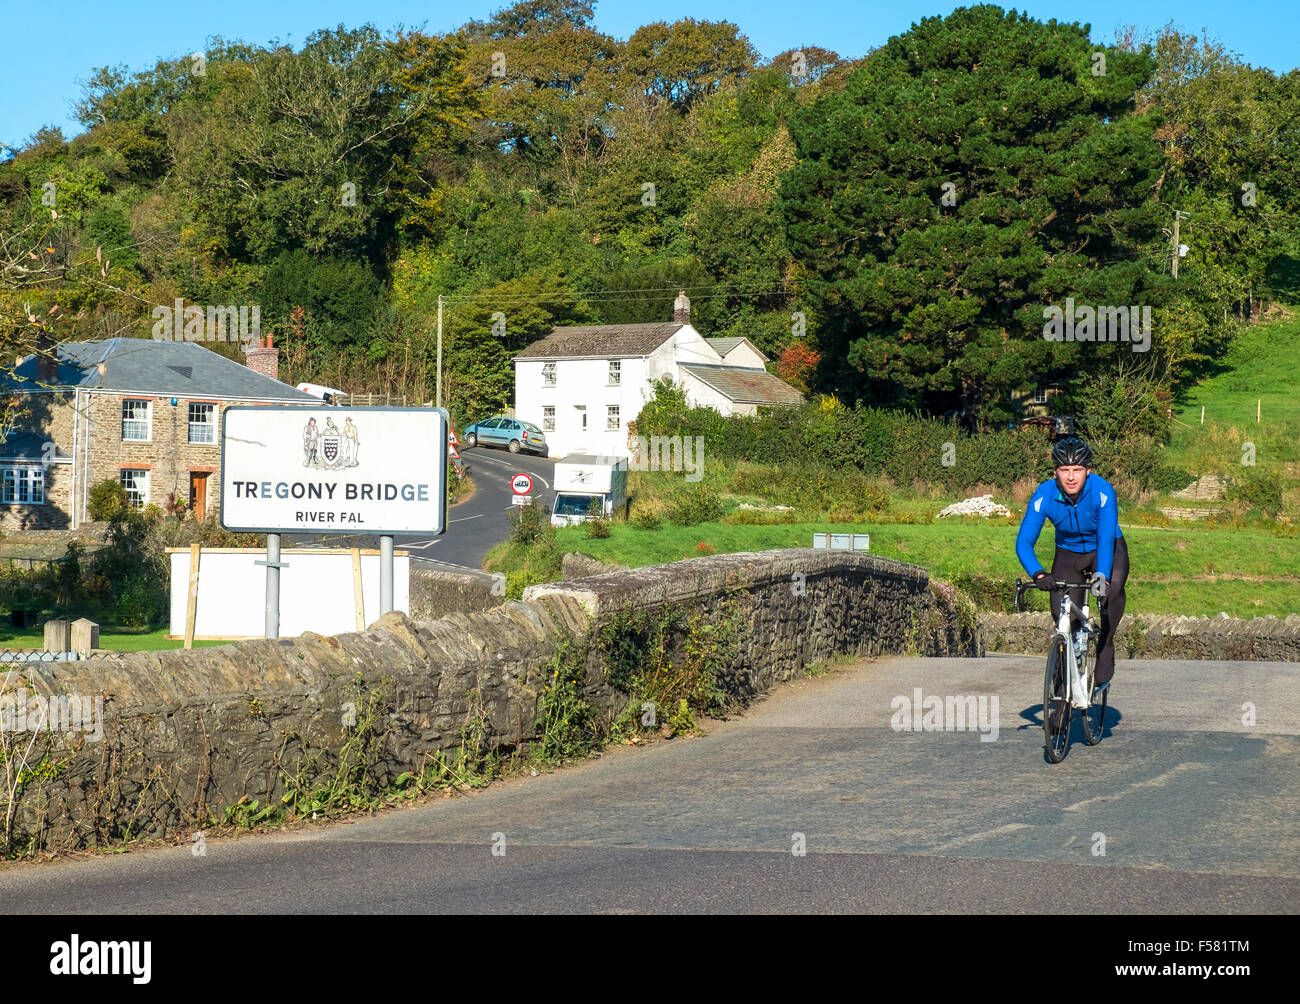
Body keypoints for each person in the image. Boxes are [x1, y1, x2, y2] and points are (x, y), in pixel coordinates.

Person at [1015, 435, 1129, 692]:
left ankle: (1106, 643)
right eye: (1064, 470)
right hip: (1068, 554)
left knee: (1111, 593)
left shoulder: (1102, 491)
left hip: (1107, 547)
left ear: (1088, 470)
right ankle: (1061, 696)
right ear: (1055, 471)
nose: (1070, 477)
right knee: (1062, 617)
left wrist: (1101, 575)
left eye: (1077, 470)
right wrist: (1039, 574)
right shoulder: (1044, 494)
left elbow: (1105, 536)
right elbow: (1023, 542)